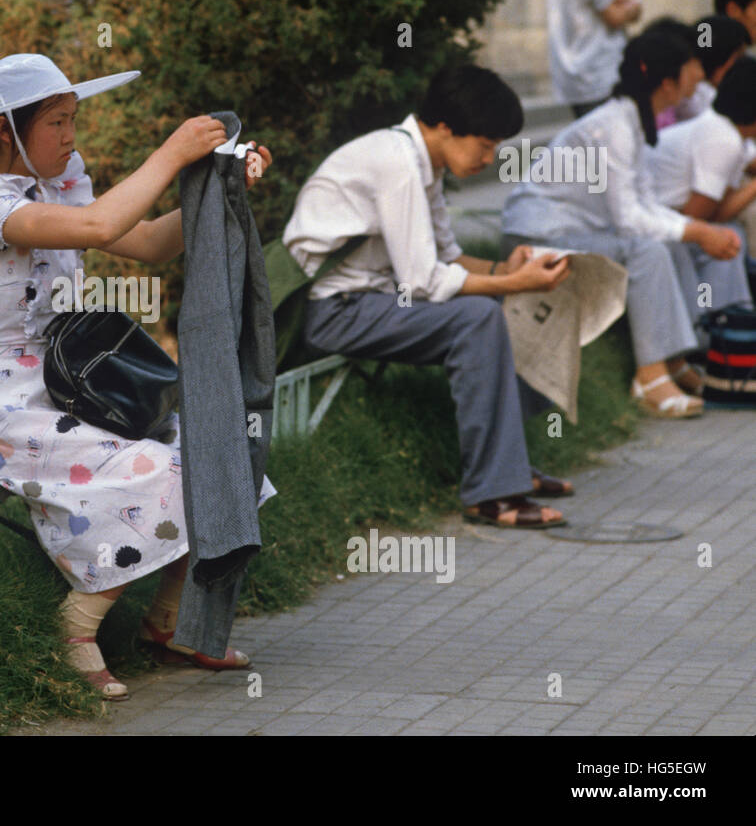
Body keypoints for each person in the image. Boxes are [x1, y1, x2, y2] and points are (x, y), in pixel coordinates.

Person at [0, 54, 275, 701]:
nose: (70, 135)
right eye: (56, 122)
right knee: (157, 474)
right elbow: (102, 225)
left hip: (71, 387)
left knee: (216, 451)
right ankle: (75, 631)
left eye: (73, 119)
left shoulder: (59, 185)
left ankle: (171, 623)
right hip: (2, 408)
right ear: (6, 130)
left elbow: (148, 243)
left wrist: (223, 188)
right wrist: (172, 153)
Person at [283, 65, 574, 531]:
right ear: (444, 127)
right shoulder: (397, 164)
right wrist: (516, 283)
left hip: (371, 302)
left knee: (496, 305)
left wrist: (509, 271)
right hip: (334, 312)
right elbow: (424, 282)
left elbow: (452, 259)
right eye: (485, 143)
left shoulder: (423, 163)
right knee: (477, 317)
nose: (490, 157)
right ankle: (492, 493)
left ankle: (510, 467)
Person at [502, 31, 742, 418]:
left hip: (578, 230)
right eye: (690, 69)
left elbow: (644, 204)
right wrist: (698, 229)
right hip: (538, 237)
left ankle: (675, 360)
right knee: (646, 250)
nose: (698, 76)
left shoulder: (631, 119)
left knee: (671, 242)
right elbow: (629, 221)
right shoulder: (613, 126)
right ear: (667, 81)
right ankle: (649, 378)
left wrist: (693, 229)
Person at [645, 55, 756, 334]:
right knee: (727, 238)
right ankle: (720, 328)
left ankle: (723, 325)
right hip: (651, 223)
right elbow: (699, 217)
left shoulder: (725, 129)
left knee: (729, 234)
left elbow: (714, 209)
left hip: (664, 216)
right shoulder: (723, 140)